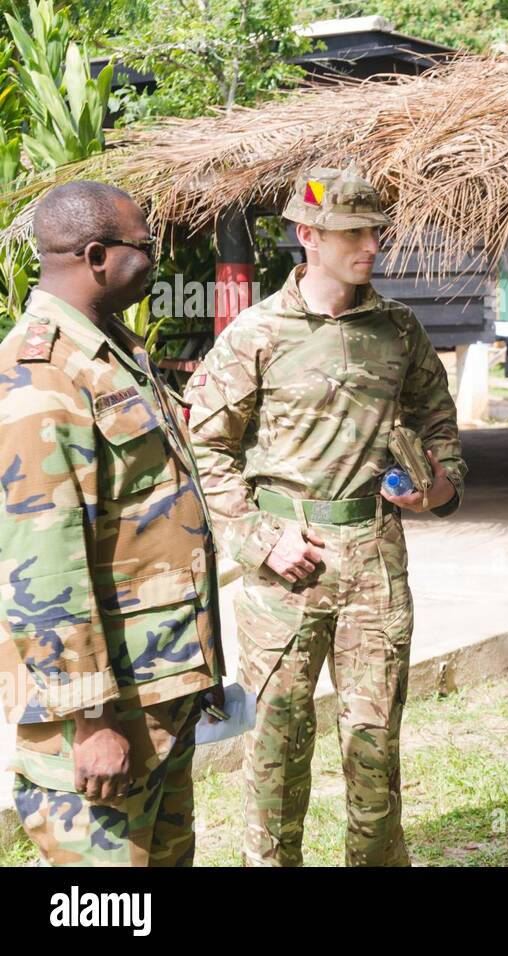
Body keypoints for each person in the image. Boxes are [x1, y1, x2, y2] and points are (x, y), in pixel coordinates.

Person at [183, 166, 466, 867]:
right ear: (307, 236)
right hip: (288, 566)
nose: (370, 244)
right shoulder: (257, 332)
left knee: (374, 746)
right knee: (276, 745)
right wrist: (259, 542)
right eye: (352, 232)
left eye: (375, 230)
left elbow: (443, 436)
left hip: (376, 559)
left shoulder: (399, 330)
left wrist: (434, 490)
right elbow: (206, 448)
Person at [0, 181, 222, 866]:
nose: (156, 262)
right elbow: (43, 560)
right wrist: (91, 721)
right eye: (145, 249)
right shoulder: (43, 375)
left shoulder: (108, 352)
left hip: (158, 685)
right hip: (103, 712)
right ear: (97, 256)